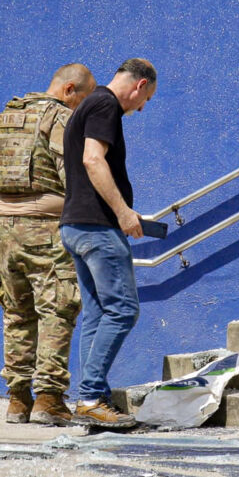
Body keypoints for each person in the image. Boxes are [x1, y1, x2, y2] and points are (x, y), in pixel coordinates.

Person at [0, 63, 96, 425]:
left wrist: (2, 225)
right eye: (85, 99)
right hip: (47, 228)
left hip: (5, 230)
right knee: (57, 309)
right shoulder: (60, 119)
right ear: (69, 90)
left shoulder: (6, 119)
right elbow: (74, 179)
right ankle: (48, 398)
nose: (85, 108)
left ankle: (17, 400)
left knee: (16, 312)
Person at [59, 58, 157, 428]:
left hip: (76, 225)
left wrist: (123, 210)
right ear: (140, 85)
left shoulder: (88, 104)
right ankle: (89, 398)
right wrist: (122, 212)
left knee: (98, 313)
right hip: (98, 229)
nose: (142, 108)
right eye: (146, 99)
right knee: (123, 310)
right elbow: (92, 159)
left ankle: (93, 398)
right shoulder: (105, 105)